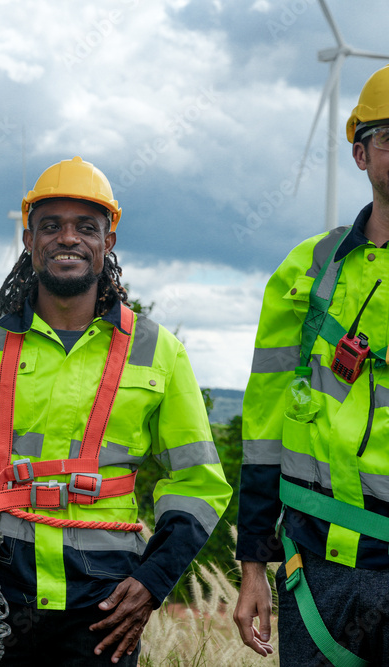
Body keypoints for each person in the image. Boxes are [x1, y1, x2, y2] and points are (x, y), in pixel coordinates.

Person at [0, 156, 232, 667]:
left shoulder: (158, 350)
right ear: (29, 241)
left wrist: (152, 582)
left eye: (86, 227)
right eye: (50, 226)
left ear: (108, 243)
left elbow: (200, 481)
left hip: (104, 608)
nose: (68, 239)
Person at [235, 65, 389, 665]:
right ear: (360, 153)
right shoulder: (306, 270)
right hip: (317, 572)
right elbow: (265, 420)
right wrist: (253, 564)